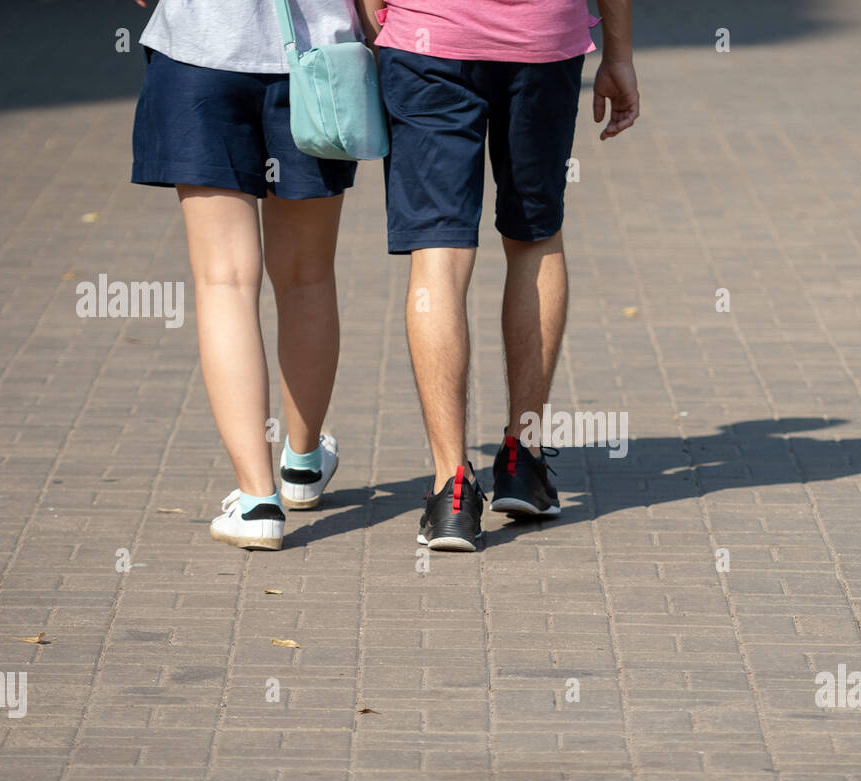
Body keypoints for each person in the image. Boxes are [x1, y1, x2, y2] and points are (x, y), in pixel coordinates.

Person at [356, 0, 640, 551]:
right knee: (535, 239)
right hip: (542, 41)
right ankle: (522, 460)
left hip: (426, 40)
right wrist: (619, 53)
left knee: (437, 253)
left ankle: (451, 492)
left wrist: (379, 24)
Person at [130, 0, 359, 549]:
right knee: (307, 276)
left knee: (224, 282)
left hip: (200, 55)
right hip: (317, 61)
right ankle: (302, 465)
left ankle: (257, 500)